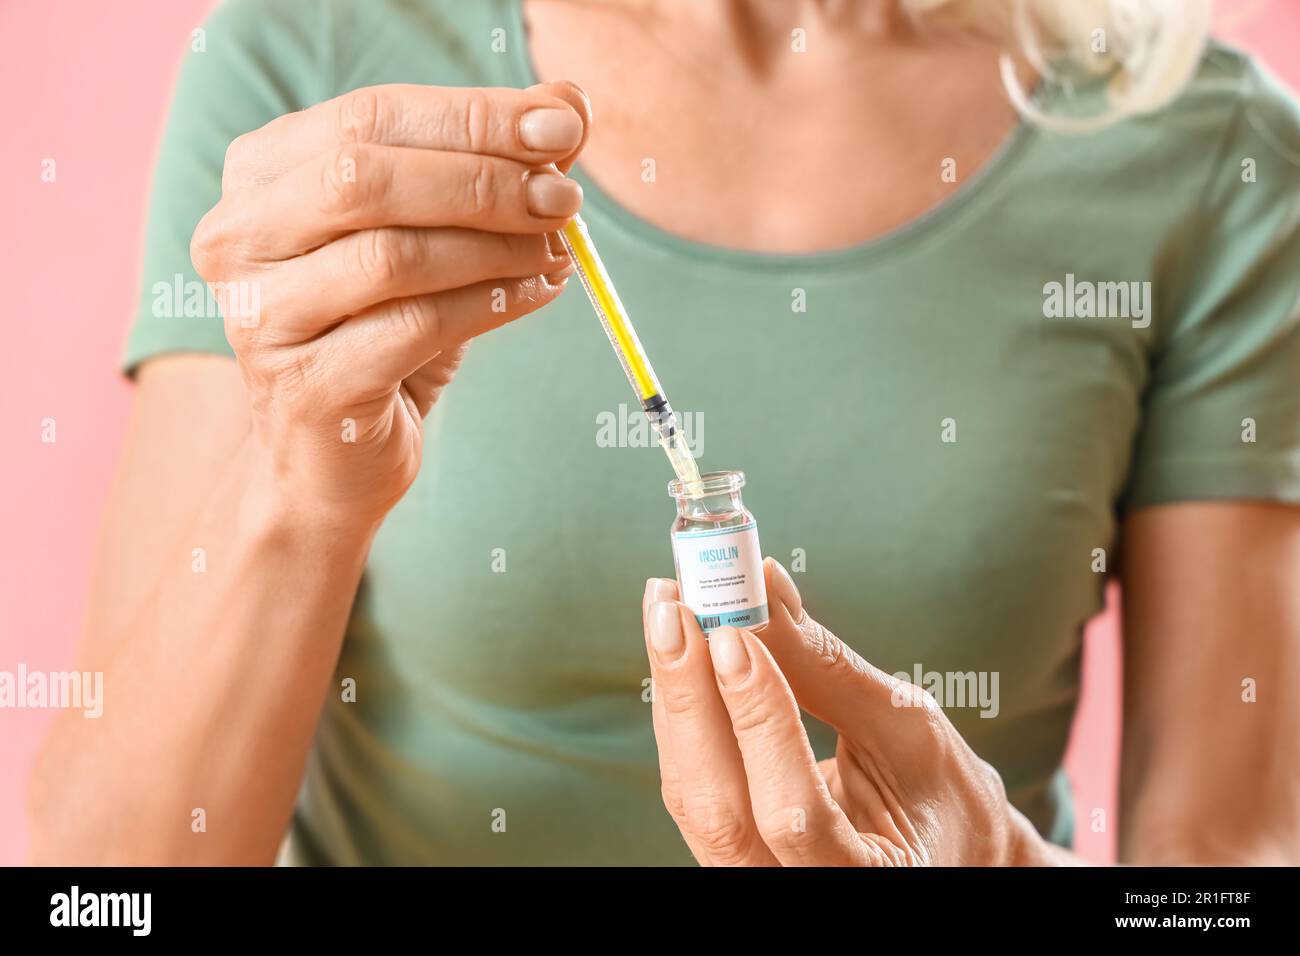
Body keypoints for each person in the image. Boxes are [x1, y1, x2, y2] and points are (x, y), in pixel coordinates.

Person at [30, 0, 1300, 865]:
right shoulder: (318, 55)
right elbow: (103, 883)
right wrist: (302, 487)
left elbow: (1225, 866)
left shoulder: (1205, 145)